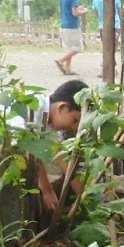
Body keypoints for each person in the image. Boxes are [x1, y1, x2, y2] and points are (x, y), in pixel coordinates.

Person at [30, 78, 89, 217]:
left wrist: (83, 195)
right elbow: (30, 152)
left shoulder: (49, 122)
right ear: (62, 107)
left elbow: (60, 156)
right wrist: (47, 190)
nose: (74, 127)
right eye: (75, 120)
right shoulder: (34, 110)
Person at [55, 0, 90, 76]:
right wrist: (84, 11)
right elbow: (75, 13)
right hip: (72, 26)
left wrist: (77, 9)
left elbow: (61, 10)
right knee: (78, 47)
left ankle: (68, 69)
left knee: (69, 48)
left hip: (64, 24)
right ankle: (61, 60)